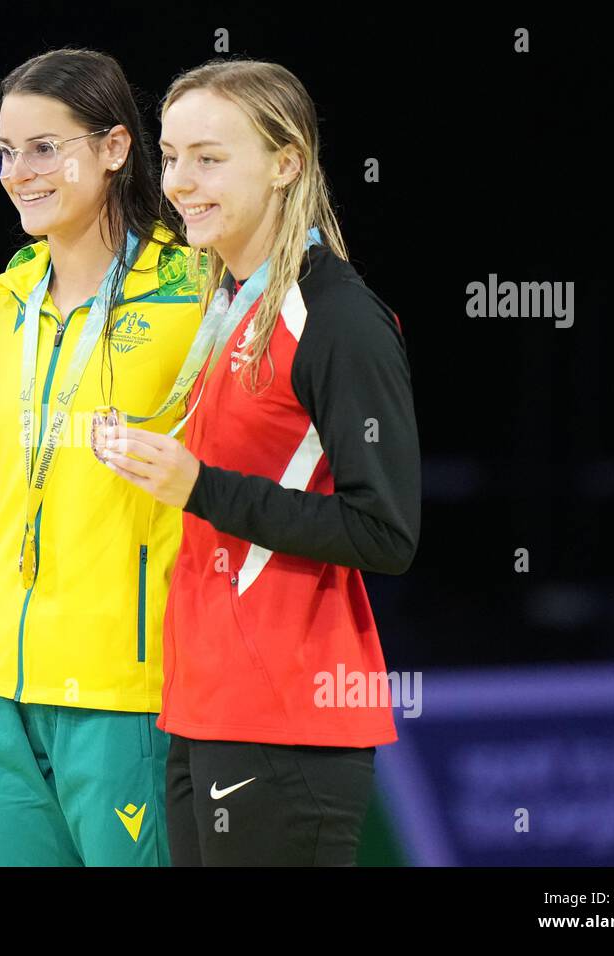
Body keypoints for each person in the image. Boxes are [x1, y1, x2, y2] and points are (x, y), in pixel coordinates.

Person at [102, 59, 421, 865]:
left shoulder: (340, 320)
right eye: (171, 157)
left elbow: (386, 531)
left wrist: (200, 487)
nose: (179, 181)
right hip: (202, 705)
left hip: (287, 713)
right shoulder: (231, 303)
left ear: (287, 164)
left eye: (209, 158)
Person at [0, 49, 204, 866]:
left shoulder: (196, 291)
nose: (19, 172)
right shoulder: (8, 302)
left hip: (124, 682)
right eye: (4, 152)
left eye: (45, 147)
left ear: (116, 148)